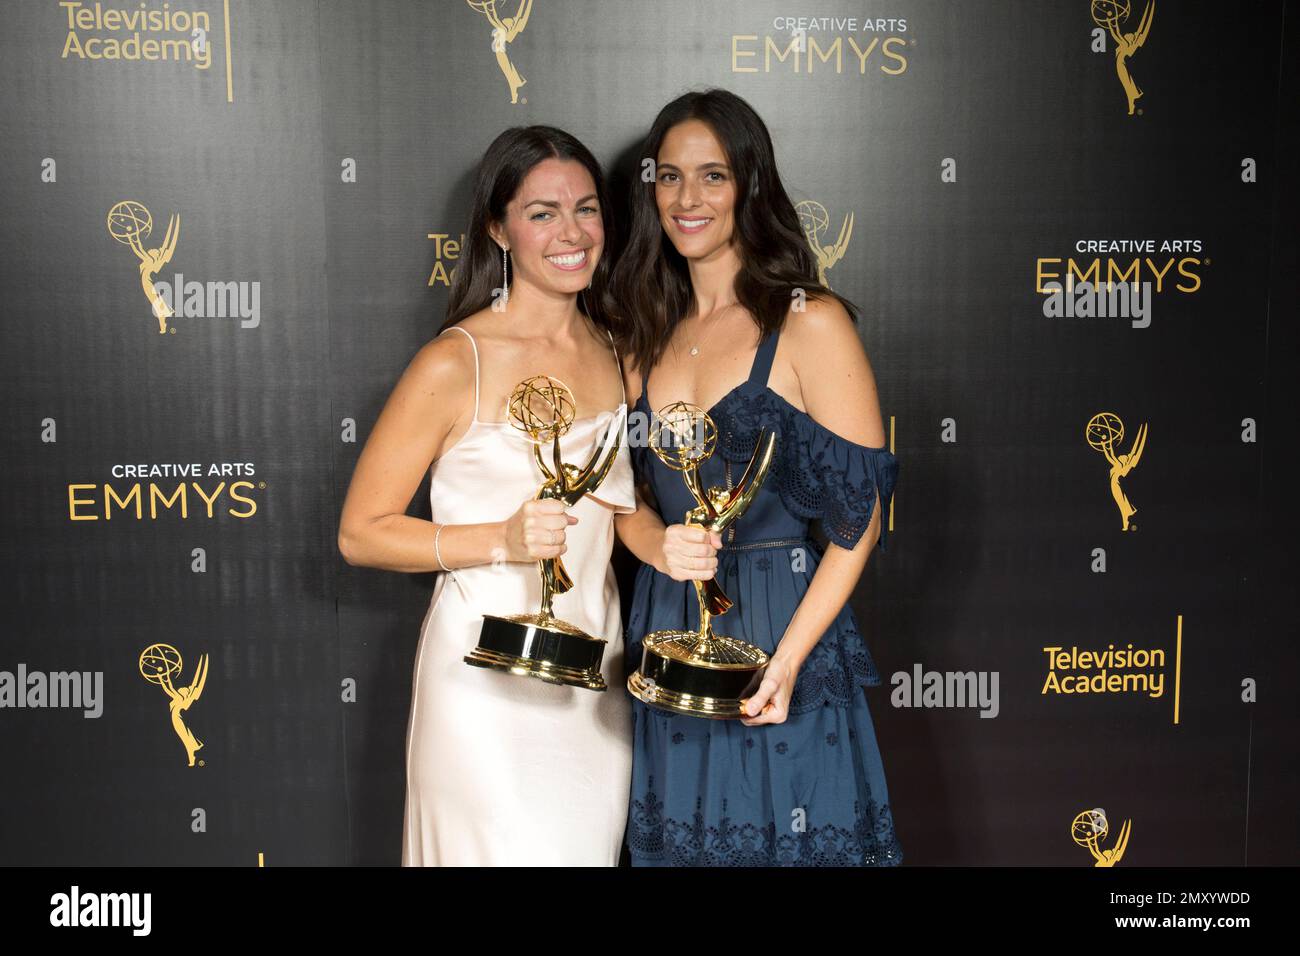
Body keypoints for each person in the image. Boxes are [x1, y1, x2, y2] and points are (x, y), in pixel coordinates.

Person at [608, 89, 903, 866]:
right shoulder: (639, 332)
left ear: (750, 184)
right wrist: (657, 547)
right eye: (668, 178)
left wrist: (790, 660)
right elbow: (623, 499)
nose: (688, 198)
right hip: (669, 631)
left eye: (713, 175)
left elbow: (860, 516)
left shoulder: (809, 322)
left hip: (782, 624)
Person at [337, 125, 635, 865]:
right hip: (480, 688)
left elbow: (629, 514)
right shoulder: (453, 361)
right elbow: (361, 532)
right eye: (542, 213)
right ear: (499, 228)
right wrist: (496, 541)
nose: (571, 232)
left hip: (594, 688)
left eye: (587, 209)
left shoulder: (621, 351)